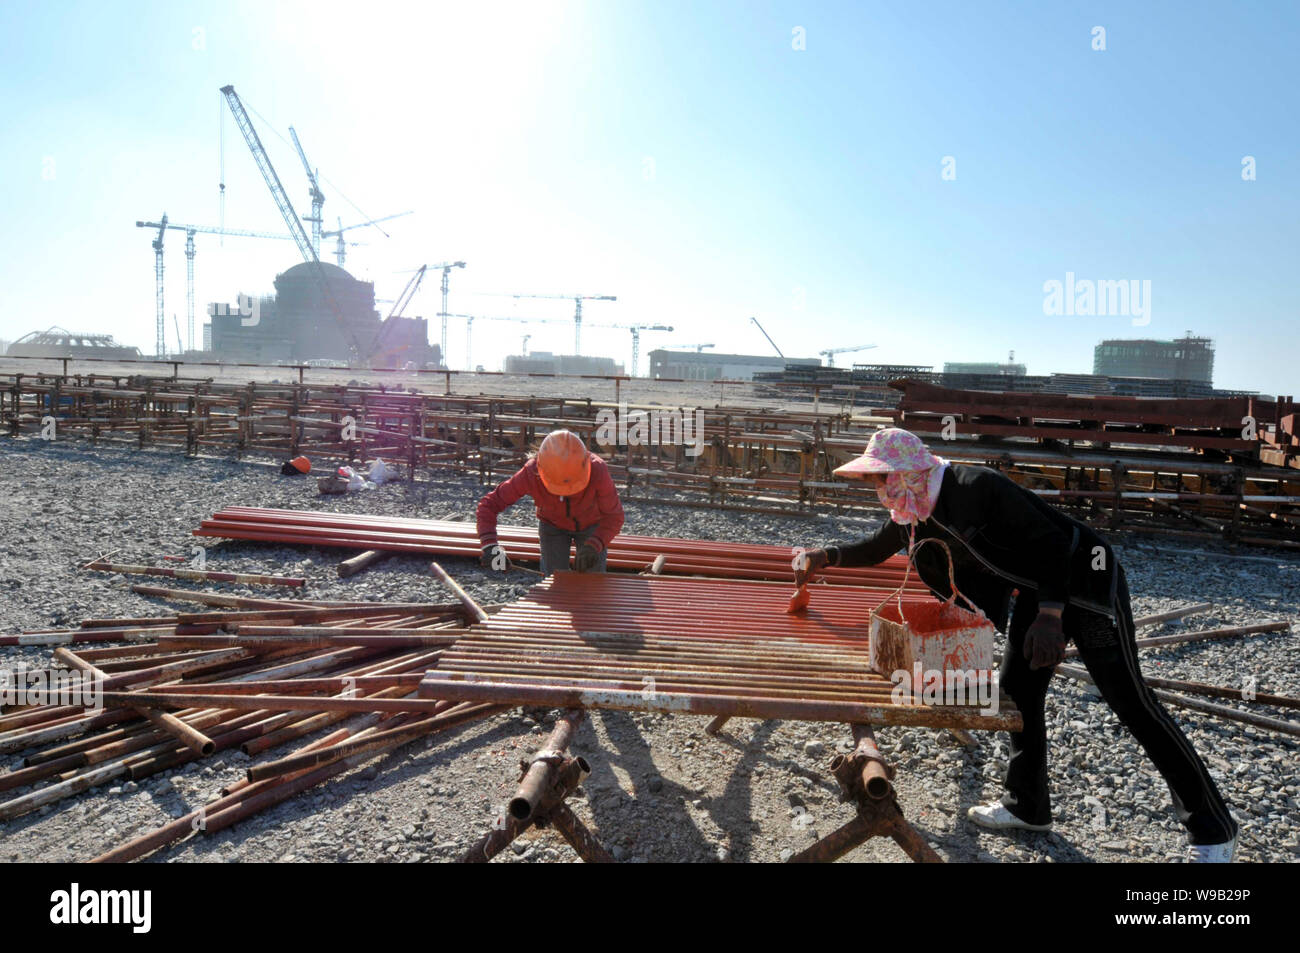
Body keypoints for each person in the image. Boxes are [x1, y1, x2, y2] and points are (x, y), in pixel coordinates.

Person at [795, 427, 1238, 862]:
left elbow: (1052, 544)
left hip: (1084, 586)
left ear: (908, 470)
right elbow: (875, 547)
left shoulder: (975, 487)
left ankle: (1214, 828)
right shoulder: (917, 507)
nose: (877, 487)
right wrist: (825, 556)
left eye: (880, 477)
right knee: (1020, 695)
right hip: (1038, 590)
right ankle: (1027, 807)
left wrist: (1049, 617)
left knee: (1131, 702)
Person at [477, 429, 624, 575]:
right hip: (552, 525)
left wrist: (595, 544)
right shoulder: (531, 472)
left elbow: (614, 516)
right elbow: (489, 505)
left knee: (593, 581)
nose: (565, 493)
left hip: (592, 525)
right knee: (554, 579)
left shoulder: (597, 470)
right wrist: (490, 546)